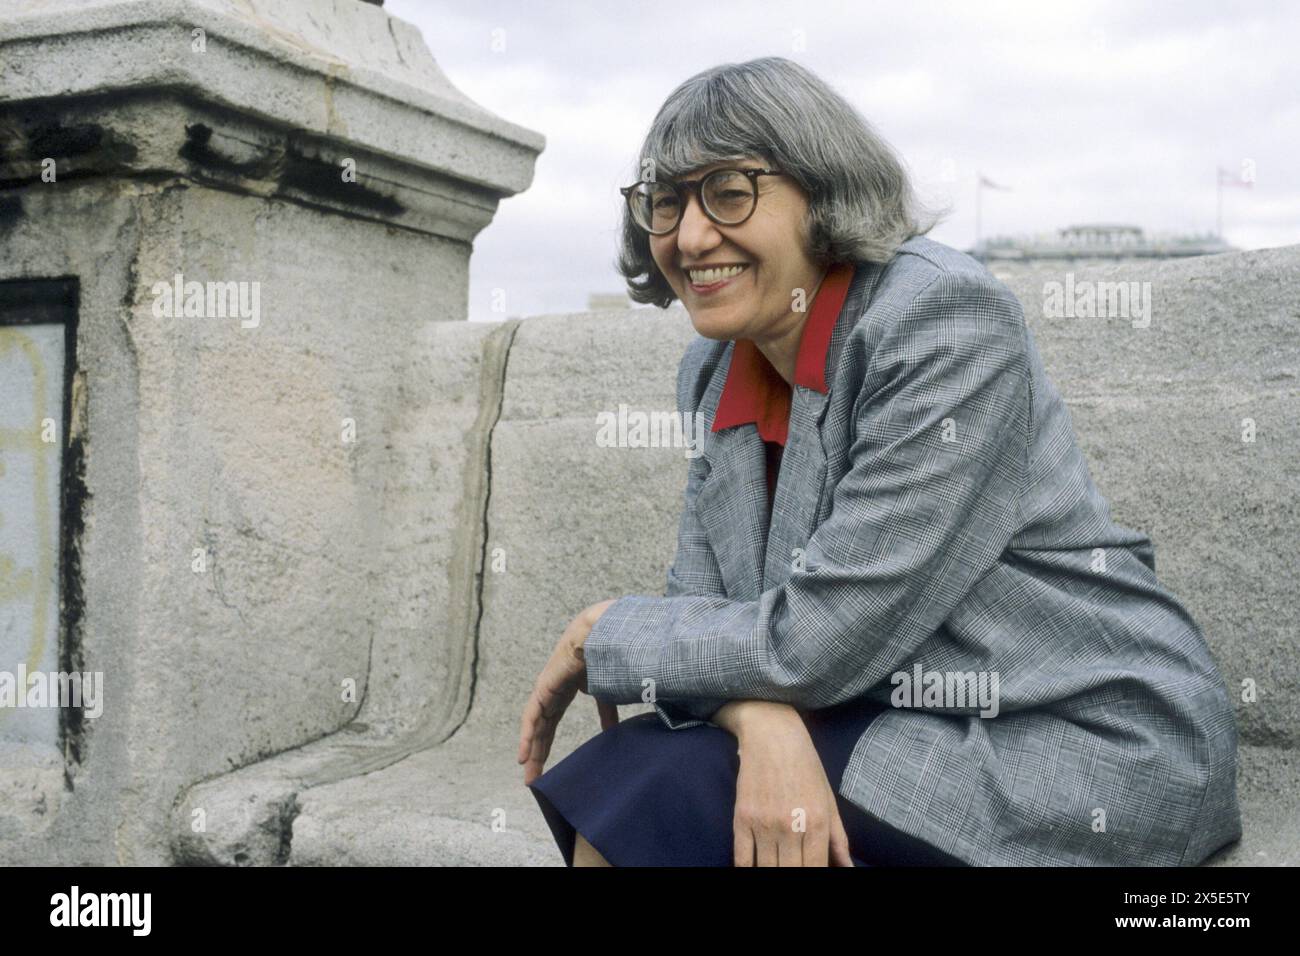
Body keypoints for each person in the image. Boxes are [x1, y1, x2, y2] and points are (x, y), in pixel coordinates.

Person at [517, 56, 1242, 867]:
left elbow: (817, 642)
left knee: (649, 781)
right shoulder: (714, 368)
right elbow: (704, 612)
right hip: (878, 714)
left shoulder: (939, 319)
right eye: (665, 202)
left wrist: (605, 635)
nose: (688, 237)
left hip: (1075, 743)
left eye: (729, 193)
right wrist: (759, 719)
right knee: (665, 777)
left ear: (823, 194)